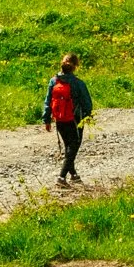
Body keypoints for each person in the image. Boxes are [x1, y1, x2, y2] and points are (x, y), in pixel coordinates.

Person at [43, 50, 93, 186]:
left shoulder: (53, 81)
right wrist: (88, 116)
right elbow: (86, 102)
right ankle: (61, 177)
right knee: (74, 146)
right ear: (76, 66)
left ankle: (74, 175)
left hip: (59, 119)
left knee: (68, 146)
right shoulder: (78, 83)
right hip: (75, 119)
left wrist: (47, 119)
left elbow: (48, 101)